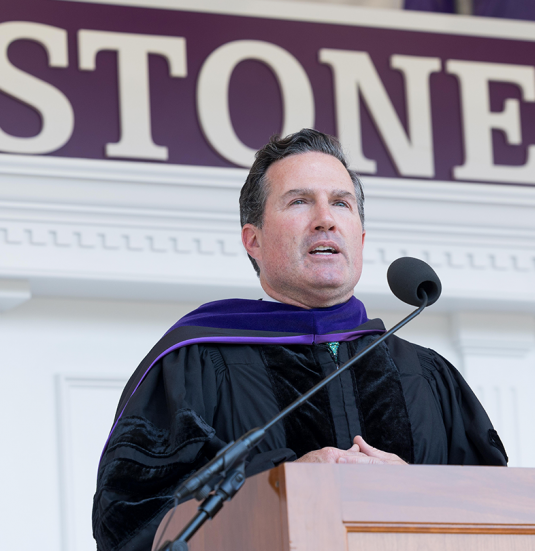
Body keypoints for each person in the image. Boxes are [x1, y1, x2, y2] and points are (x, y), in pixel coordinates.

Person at [92, 129, 508, 551]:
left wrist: (416, 489)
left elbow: (505, 517)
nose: (325, 218)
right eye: (300, 201)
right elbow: (131, 519)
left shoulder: (427, 375)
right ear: (253, 240)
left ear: (360, 239)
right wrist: (280, 485)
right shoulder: (197, 362)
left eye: (341, 203)